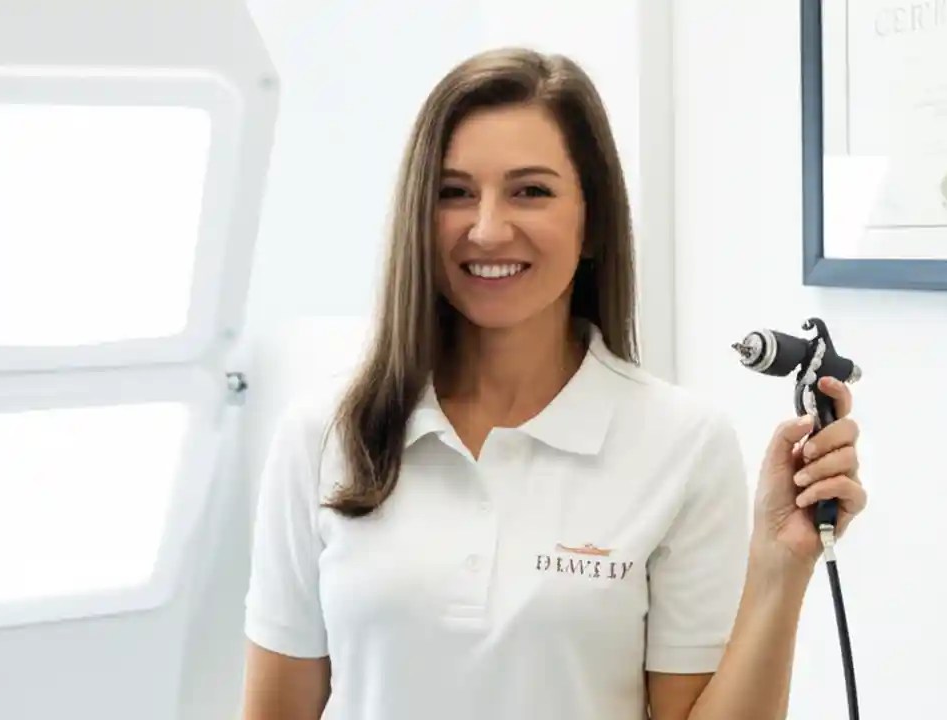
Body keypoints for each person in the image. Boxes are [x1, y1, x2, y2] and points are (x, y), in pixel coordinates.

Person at [240, 47, 866, 720]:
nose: (487, 229)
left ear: (592, 220)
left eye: (530, 191)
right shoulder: (324, 436)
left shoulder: (683, 443)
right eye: (454, 193)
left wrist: (779, 566)